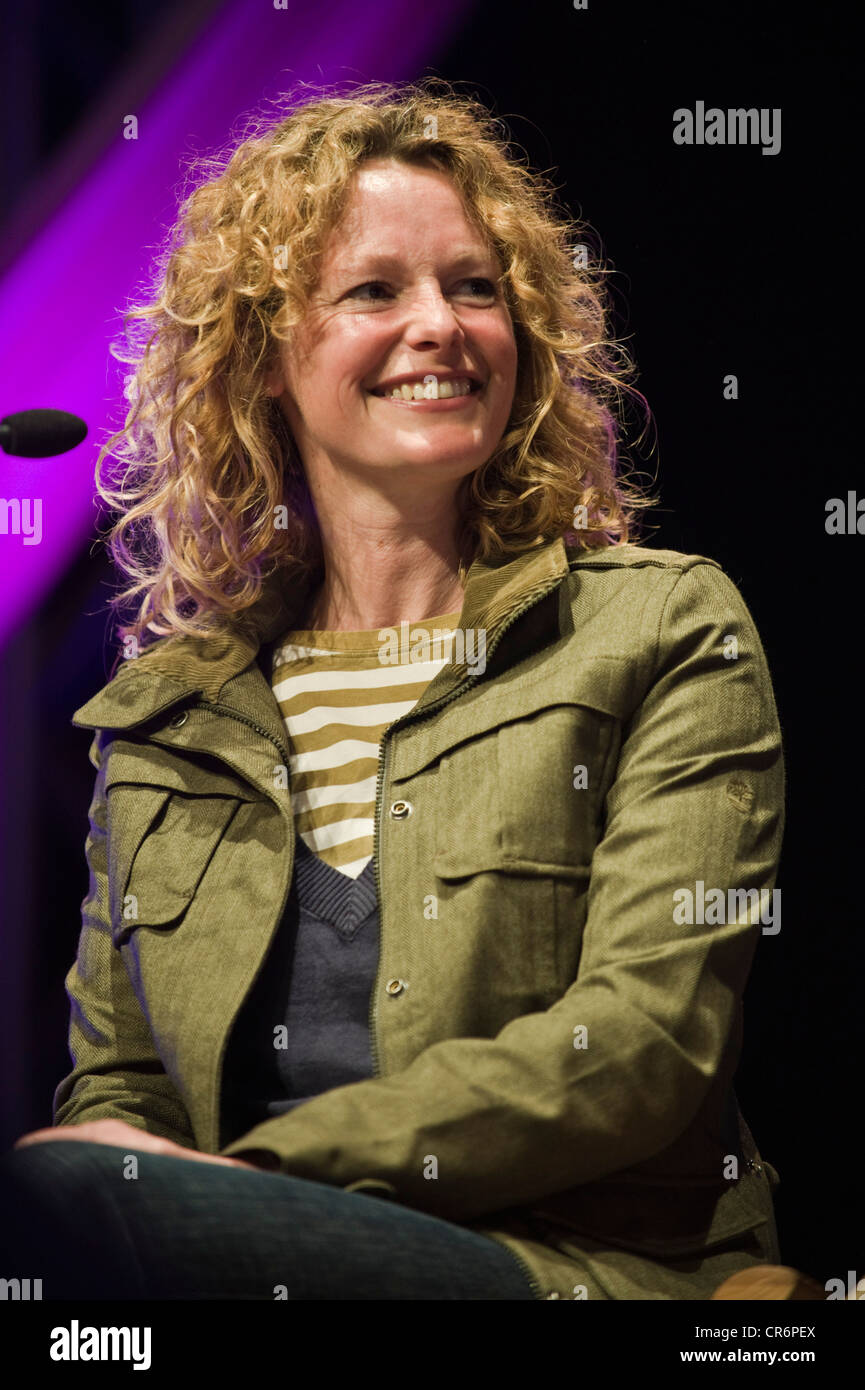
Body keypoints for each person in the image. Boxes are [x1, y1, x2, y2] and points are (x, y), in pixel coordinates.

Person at [0, 78, 784, 1301]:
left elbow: (637, 1050)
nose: (441, 325)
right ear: (262, 354)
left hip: (579, 1271)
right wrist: (152, 1183)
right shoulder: (167, 711)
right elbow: (121, 1095)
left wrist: (251, 1181)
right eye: (375, 290)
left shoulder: (658, 626)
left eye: (476, 287)